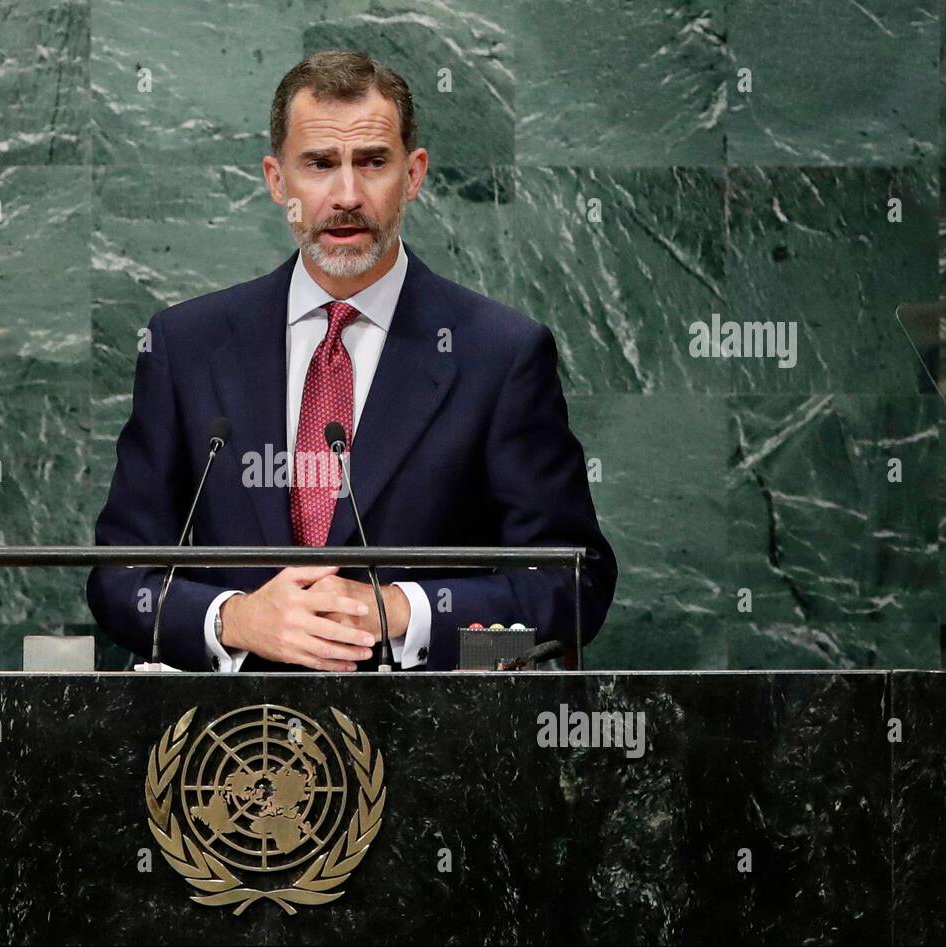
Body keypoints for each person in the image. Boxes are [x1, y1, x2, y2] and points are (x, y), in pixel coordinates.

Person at [87, 49, 616, 673]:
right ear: (277, 180)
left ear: (413, 175)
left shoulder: (499, 354)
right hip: (231, 748)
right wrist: (235, 620)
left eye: (373, 163)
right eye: (318, 164)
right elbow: (118, 577)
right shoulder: (188, 346)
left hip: (439, 749)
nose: (346, 195)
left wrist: (401, 613)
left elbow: (573, 588)